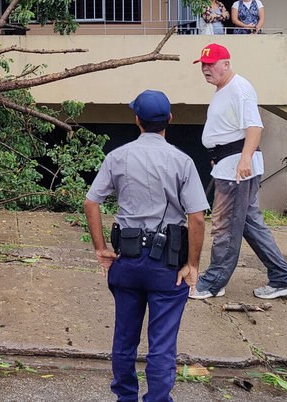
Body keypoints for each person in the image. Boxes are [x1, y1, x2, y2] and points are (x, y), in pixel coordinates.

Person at [85, 90, 208, 402]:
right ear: (169, 119)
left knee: (124, 339)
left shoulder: (117, 157)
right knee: (162, 345)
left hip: (126, 262)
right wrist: (192, 265)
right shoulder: (182, 161)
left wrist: (101, 250)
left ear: (136, 119)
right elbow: (196, 218)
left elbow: (92, 202)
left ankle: (125, 397)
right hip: (167, 266)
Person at [189, 43, 287, 300]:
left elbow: (254, 126)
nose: (206, 69)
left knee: (224, 226)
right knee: (250, 224)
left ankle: (212, 282)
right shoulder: (223, 89)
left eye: (211, 64)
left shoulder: (240, 88)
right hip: (229, 163)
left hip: (238, 168)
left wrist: (244, 159)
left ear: (226, 63)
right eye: (203, 64)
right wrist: (221, 157)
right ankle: (283, 278)